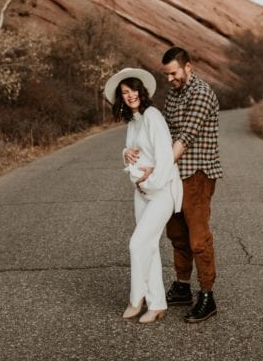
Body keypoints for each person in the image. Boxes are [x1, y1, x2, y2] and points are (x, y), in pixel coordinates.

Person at [127, 47, 222, 323]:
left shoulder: (201, 94)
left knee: (198, 238)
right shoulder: (173, 95)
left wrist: (157, 169)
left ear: (188, 67)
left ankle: (207, 295)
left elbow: (183, 139)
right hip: (174, 175)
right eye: (166, 75)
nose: (169, 79)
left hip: (197, 174)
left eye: (173, 73)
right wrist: (136, 157)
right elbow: (161, 137)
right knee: (177, 234)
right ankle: (182, 287)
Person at [105, 67, 182, 324]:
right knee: (149, 247)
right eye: (125, 92)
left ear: (142, 91)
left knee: (137, 244)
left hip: (162, 191)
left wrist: (150, 180)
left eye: (134, 90)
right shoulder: (134, 120)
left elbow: (165, 157)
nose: (130, 95)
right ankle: (157, 303)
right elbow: (133, 150)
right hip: (142, 193)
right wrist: (124, 153)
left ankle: (135, 299)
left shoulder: (152, 116)